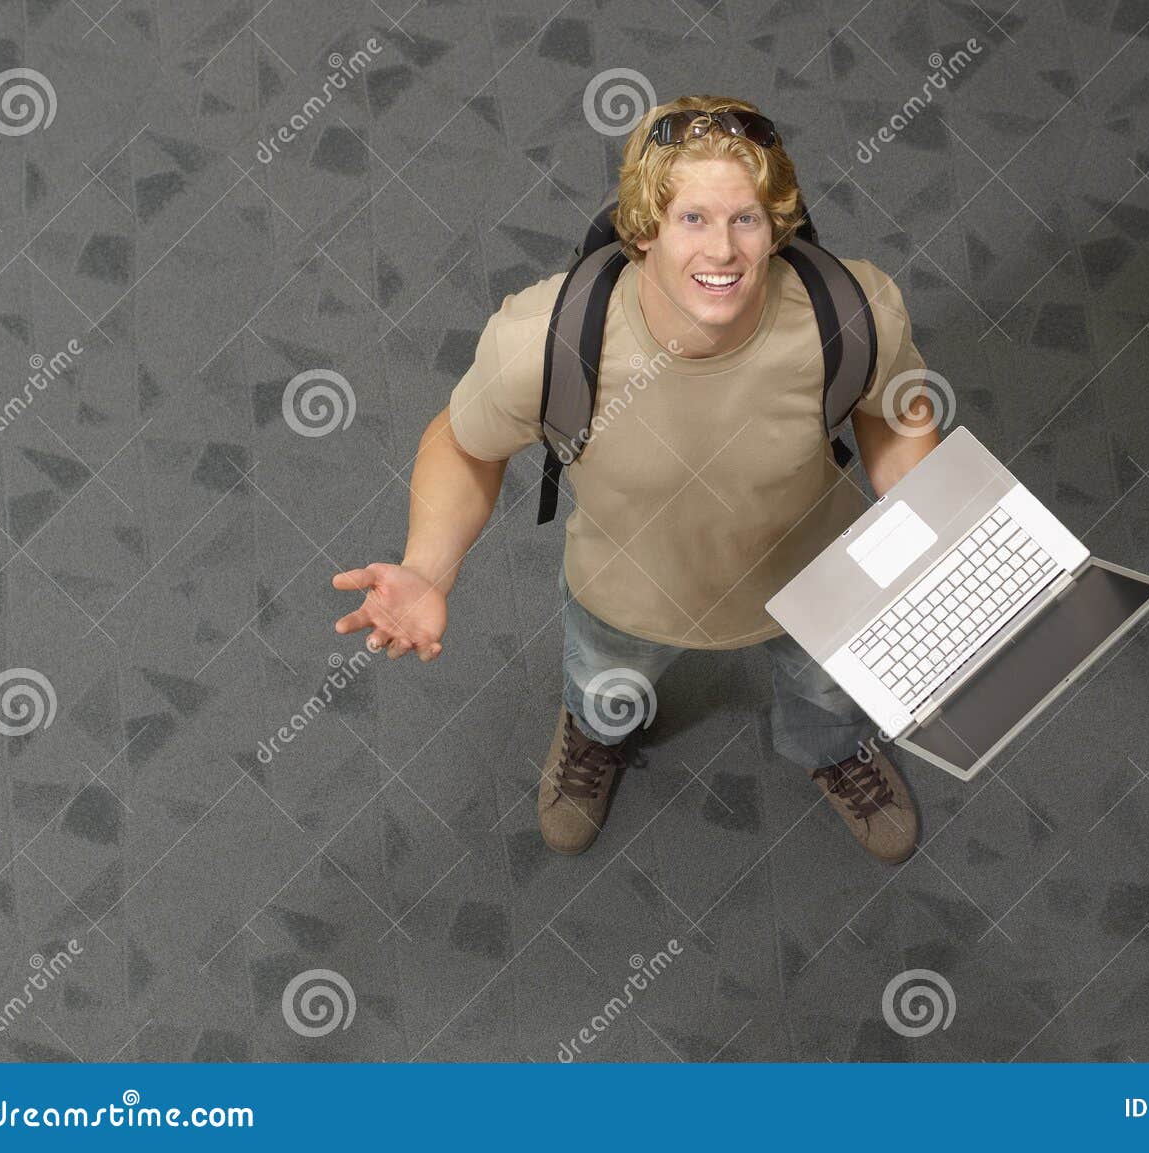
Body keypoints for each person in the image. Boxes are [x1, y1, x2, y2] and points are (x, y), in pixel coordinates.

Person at [331, 94, 940, 862]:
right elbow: (462, 443)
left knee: (830, 695)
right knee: (603, 693)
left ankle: (835, 747)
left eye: (746, 218)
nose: (722, 250)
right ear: (645, 225)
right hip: (622, 594)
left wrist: (925, 526)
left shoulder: (853, 311)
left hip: (815, 586)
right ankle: (594, 738)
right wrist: (427, 564)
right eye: (693, 218)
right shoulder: (545, 340)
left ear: (775, 224)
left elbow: (894, 413)